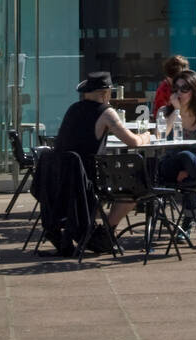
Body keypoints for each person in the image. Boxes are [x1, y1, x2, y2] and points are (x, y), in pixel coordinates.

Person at [56, 71, 154, 248]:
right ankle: (106, 232)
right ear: (106, 93)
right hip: (88, 180)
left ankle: (92, 231)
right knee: (134, 188)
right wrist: (146, 135)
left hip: (63, 178)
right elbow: (133, 142)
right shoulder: (106, 113)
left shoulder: (72, 109)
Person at [158, 70, 196, 230]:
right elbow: (160, 136)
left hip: (194, 168)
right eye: (176, 89)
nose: (179, 93)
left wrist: (187, 170)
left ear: (194, 91)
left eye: (184, 88)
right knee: (186, 156)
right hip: (169, 167)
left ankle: (187, 222)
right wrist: (176, 111)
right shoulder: (165, 113)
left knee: (190, 177)